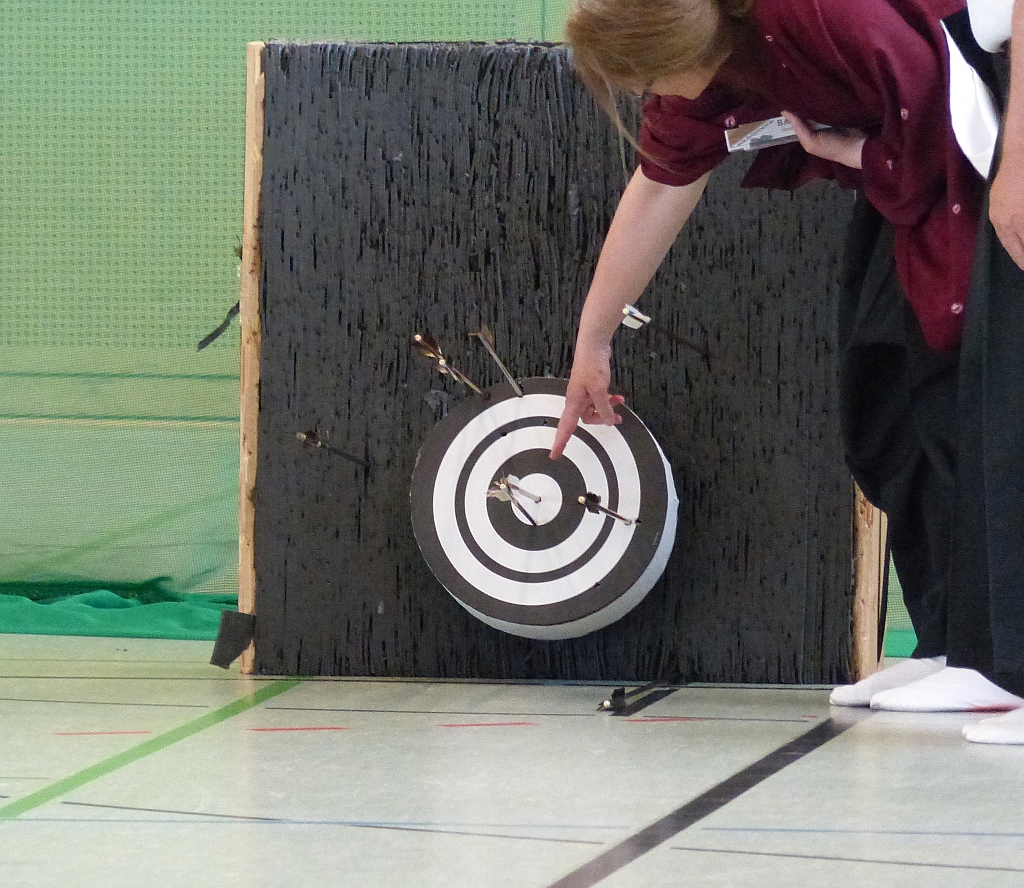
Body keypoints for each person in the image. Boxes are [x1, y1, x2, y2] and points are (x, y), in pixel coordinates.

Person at [549, 0, 1024, 723]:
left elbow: (943, 100)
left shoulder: (819, 15)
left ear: (672, 55)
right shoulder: (711, 68)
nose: (647, 99)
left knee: (961, 392)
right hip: (908, 168)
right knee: (885, 396)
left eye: (644, 80)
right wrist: (594, 337)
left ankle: (1003, 656)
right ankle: (954, 639)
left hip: (975, 130)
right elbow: (660, 184)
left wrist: (866, 158)